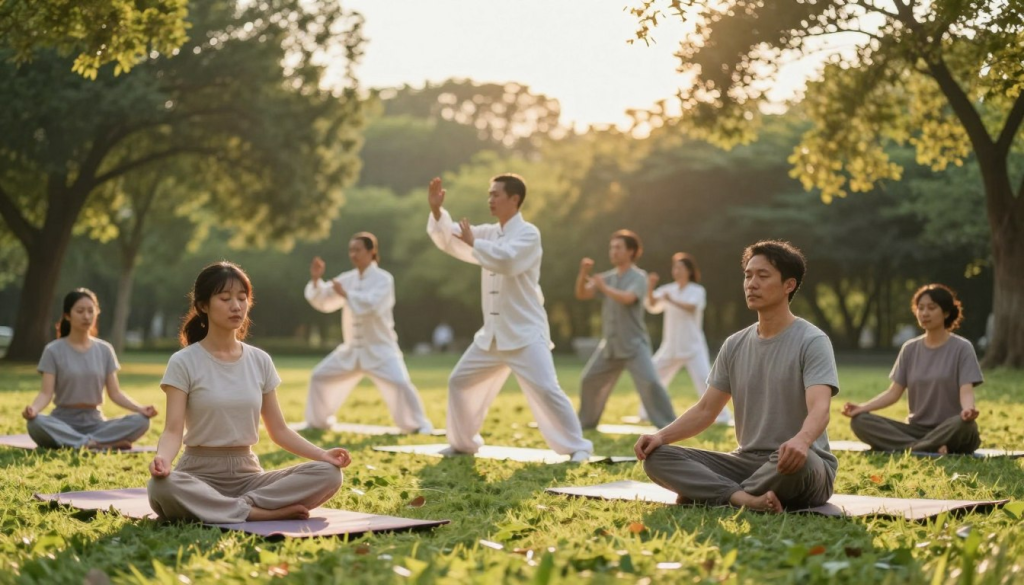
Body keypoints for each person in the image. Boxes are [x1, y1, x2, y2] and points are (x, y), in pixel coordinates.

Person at [635, 241, 838, 513]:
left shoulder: (812, 341)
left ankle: (712, 492)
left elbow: (820, 408)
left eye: (762, 276)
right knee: (657, 458)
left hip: (799, 463)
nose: (751, 284)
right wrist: (660, 436)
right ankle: (744, 499)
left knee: (801, 463)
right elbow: (706, 409)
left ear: (788, 285)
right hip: (744, 462)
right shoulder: (734, 344)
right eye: (748, 275)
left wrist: (801, 440)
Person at [148, 262, 350, 523]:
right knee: (162, 487)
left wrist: (323, 455)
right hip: (198, 475)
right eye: (225, 298)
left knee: (330, 474)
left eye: (242, 299)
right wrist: (162, 460)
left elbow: (279, 430)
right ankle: (256, 514)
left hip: (249, 479)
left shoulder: (260, 360)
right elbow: (173, 430)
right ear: (203, 306)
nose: (236, 306)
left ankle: (236, 508)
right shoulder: (183, 361)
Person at [426, 174, 593, 461]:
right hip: (491, 335)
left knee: (545, 388)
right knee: (460, 381)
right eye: (489, 194)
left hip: (525, 332)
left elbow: (508, 261)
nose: (490, 199)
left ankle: (578, 446)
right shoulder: (489, 232)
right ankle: (464, 443)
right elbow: (449, 237)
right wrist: (437, 211)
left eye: (496, 195)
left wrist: (474, 243)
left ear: (514, 199)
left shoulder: (529, 234)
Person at [303, 233, 433, 433]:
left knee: (399, 383)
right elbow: (325, 300)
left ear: (372, 252)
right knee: (320, 376)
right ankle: (318, 422)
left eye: (358, 250)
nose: (353, 254)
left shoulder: (384, 279)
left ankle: (418, 424)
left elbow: (372, 305)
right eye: (350, 250)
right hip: (351, 350)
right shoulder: (347, 278)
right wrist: (315, 279)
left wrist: (346, 294)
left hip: (380, 349)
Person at [842, 284, 983, 454]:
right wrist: (862, 408)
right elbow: (893, 393)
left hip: (950, 428)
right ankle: (926, 447)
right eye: (920, 308)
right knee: (860, 421)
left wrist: (968, 410)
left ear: (946, 313)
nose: (924, 313)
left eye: (931, 308)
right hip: (915, 430)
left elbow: (966, 391)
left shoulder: (962, 347)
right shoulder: (909, 349)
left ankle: (917, 447)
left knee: (966, 426)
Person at [22, 289, 155, 449]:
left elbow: (115, 393)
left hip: (96, 423)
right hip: (62, 422)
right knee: (35, 423)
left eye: (90, 311)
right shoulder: (53, 350)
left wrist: (140, 409)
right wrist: (33, 409)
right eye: (80, 311)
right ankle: (96, 444)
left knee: (141, 421)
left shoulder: (105, 349)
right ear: (67, 315)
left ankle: (82, 442)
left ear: (96, 313)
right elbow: (46, 393)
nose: (86, 316)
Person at [575, 231, 676, 429]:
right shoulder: (608, 278)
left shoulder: (639, 277)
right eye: (611, 247)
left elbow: (628, 298)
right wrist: (582, 274)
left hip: (634, 345)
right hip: (610, 345)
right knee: (589, 380)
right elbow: (582, 294)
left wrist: (603, 288)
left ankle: (669, 425)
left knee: (650, 383)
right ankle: (586, 423)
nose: (613, 252)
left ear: (631, 251)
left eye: (618, 247)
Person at [643, 253, 733, 426]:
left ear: (689, 271)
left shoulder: (697, 291)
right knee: (652, 375)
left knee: (704, 380)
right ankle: (648, 412)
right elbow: (653, 305)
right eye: (674, 268)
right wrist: (650, 287)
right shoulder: (668, 289)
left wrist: (671, 300)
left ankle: (721, 416)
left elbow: (692, 307)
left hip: (693, 346)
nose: (676, 271)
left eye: (680, 268)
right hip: (671, 346)